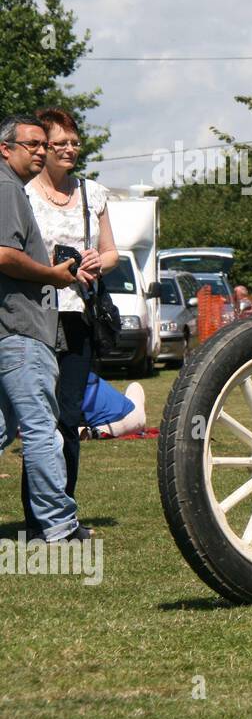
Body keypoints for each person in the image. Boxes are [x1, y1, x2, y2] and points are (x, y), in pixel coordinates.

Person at [21, 107, 119, 520]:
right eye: (59, 142)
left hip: (78, 315)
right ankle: (36, 512)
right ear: (43, 145)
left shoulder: (92, 194)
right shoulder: (21, 193)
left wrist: (100, 262)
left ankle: (64, 509)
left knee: (70, 416)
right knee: (38, 418)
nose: (68, 149)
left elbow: (114, 253)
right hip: (34, 315)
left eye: (74, 142)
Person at [0, 114, 86, 541]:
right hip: (20, 329)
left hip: (10, 329)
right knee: (41, 429)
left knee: (2, 429)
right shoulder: (7, 190)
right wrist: (52, 274)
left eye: (42, 145)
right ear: (6, 148)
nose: (40, 151)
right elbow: (4, 255)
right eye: (32, 145)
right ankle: (58, 526)